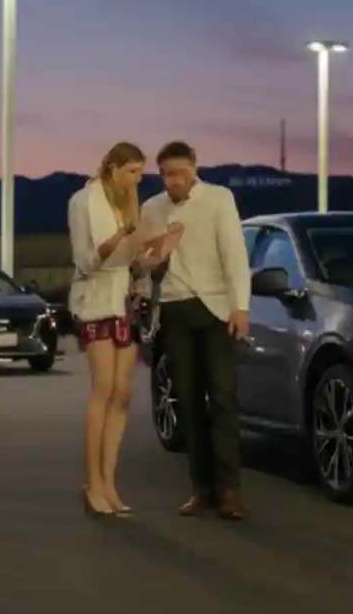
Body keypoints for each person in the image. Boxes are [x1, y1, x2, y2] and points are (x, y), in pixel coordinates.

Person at [67, 141, 182, 517]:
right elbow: (85, 262)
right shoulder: (83, 201)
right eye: (131, 172)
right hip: (96, 302)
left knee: (122, 393)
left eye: (140, 173)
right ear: (112, 168)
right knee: (103, 390)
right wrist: (119, 240)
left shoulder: (130, 204)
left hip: (124, 302)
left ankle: (109, 482)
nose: (136, 180)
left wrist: (157, 251)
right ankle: (93, 483)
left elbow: (135, 264)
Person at [140, 140, 251, 520]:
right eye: (166, 175)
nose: (173, 181)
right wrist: (158, 256)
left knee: (222, 397)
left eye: (179, 173)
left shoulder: (219, 199)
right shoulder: (152, 209)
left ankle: (229, 490)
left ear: (193, 169)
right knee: (186, 400)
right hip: (174, 310)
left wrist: (240, 306)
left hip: (215, 309)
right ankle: (201, 488)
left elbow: (234, 253)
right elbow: (145, 266)